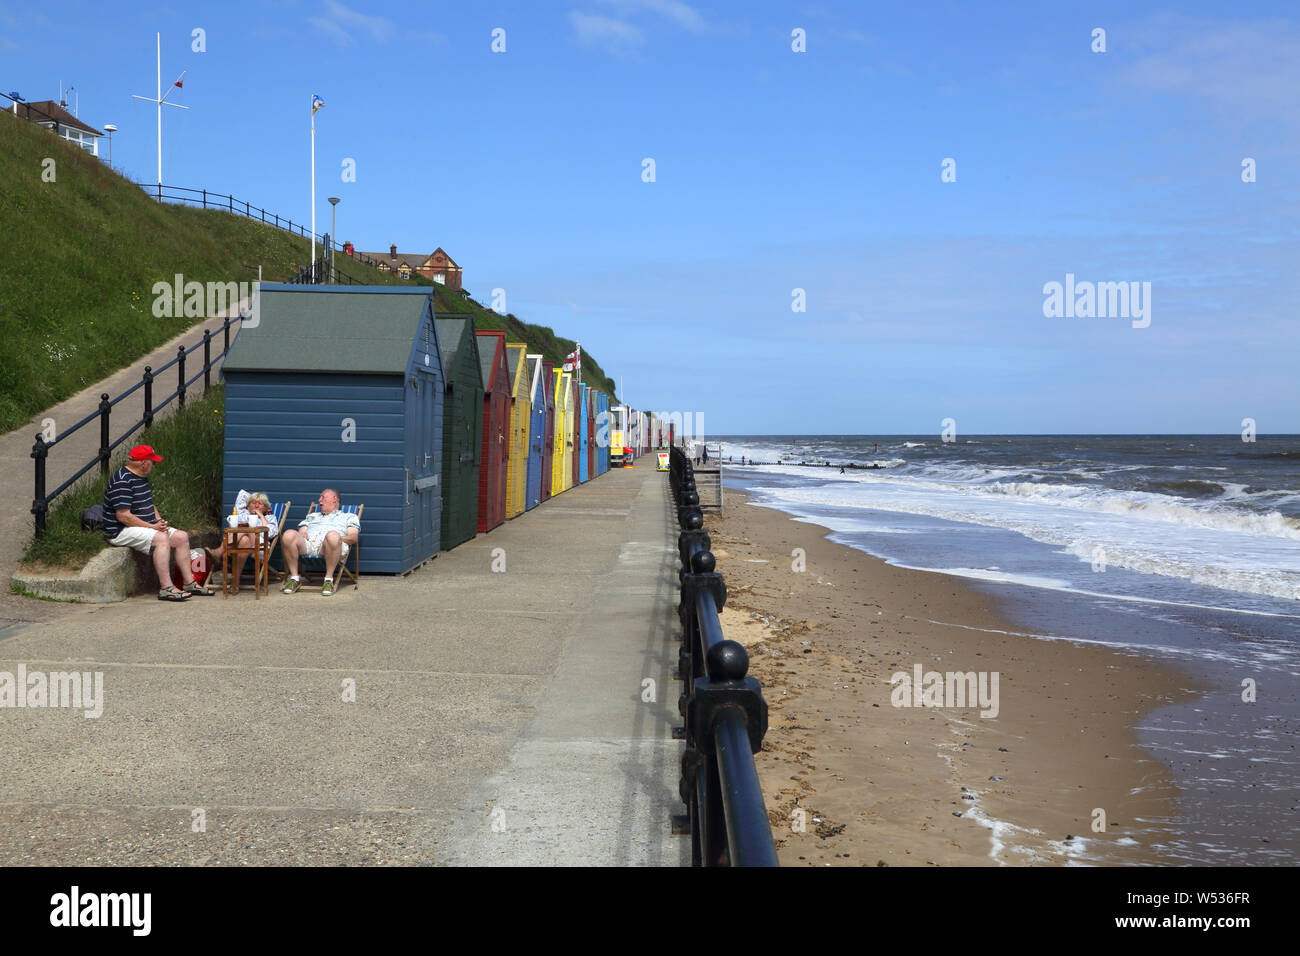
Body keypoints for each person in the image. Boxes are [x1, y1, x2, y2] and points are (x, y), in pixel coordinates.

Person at [102, 444, 212, 600]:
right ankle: (166, 588)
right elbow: (123, 516)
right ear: (143, 462)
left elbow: (149, 504)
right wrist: (153, 527)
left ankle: (189, 583)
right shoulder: (123, 480)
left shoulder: (141, 477)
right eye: (153, 462)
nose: (154, 465)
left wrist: (159, 521)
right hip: (120, 530)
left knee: (181, 537)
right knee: (161, 539)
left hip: (144, 525)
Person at [280, 488, 360, 596]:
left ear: (334, 499)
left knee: (332, 536)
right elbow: (302, 529)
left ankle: (328, 580)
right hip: (310, 544)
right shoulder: (313, 516)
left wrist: (335, 539)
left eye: (323, 497)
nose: (319, 500)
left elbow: (353, 537)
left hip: (332, 546)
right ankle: (294, 578)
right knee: (289, 534)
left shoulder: (349, 516)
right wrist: (302, 531)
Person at [205, 490, 279, 594]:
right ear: (247, 506)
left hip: (260, 544)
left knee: (244, 528)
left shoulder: (270, 517)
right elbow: (242, 494)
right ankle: (235, 581)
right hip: (239, 543)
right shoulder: (242, 514)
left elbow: (271, 532)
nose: (256, 505)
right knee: (244, 540)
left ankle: (219, 552)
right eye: (253, 503)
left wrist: (260, 516)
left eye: (260, 503)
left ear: (266, 508)